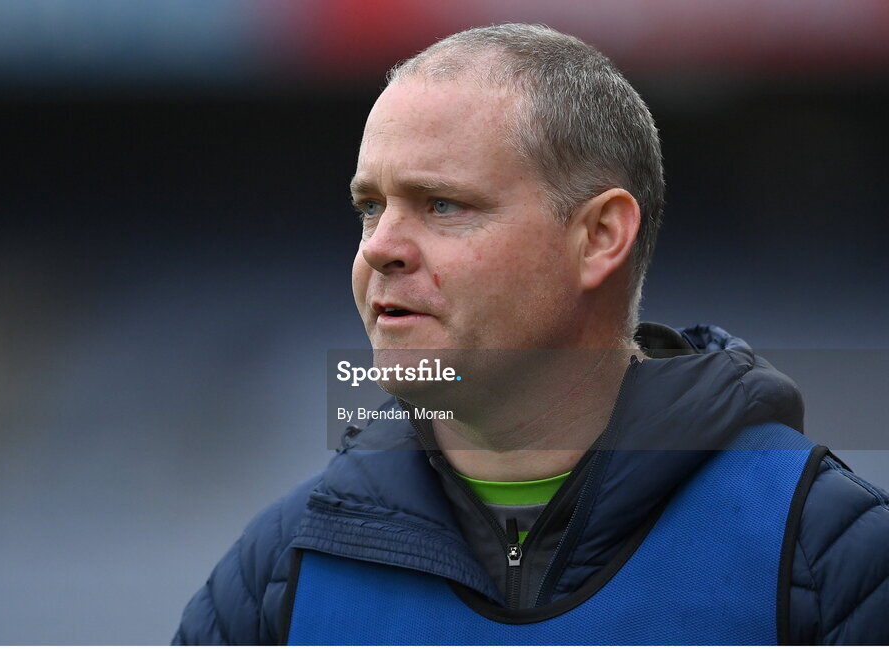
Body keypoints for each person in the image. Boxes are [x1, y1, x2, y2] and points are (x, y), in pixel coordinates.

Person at [173, 24, 889, 645]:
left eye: (443, 203)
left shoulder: (825, 553)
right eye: (370, 206)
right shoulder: (281, 569)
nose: (379, 247)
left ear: (599, 236)